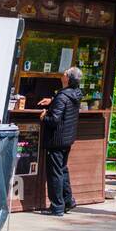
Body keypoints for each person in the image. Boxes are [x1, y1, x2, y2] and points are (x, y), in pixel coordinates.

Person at [40, 66, 83, 217]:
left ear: (68, 78)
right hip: (67, 139)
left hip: (56, 139)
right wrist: (53, 101)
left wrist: (44, 117)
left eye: (65, 73)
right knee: (62, 170)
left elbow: (54, 120)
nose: (62, 74)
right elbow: (65, 105)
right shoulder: (75, 94)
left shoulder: (63, 96)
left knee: (55, 173)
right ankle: (68, 200)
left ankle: (57, 206)